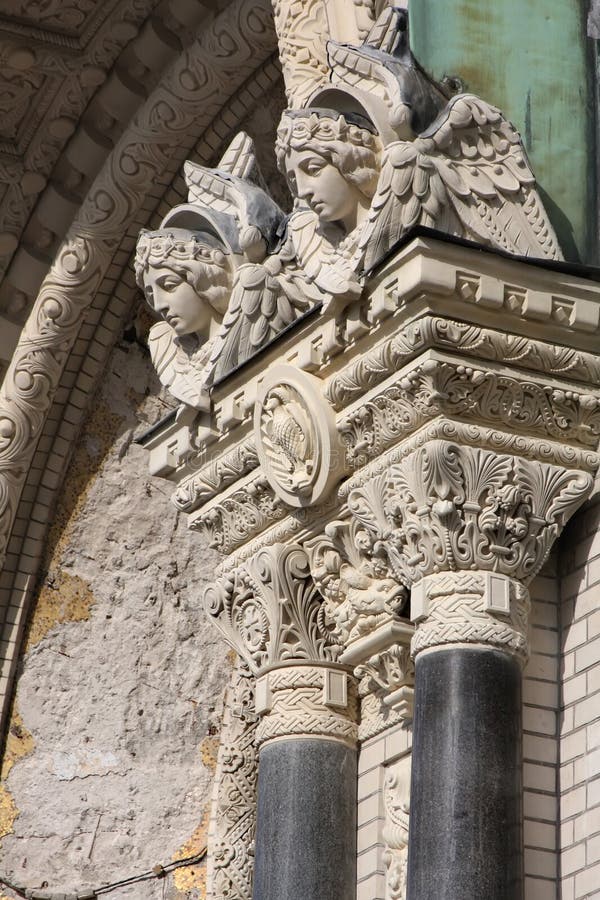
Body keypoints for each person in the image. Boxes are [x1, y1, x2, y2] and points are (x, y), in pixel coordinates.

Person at [275, 108, 382, 238]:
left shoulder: (390, 210)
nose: (302, 192)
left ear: (349, 161)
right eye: (294, 181)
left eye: (313, 169)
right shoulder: (312, 246)